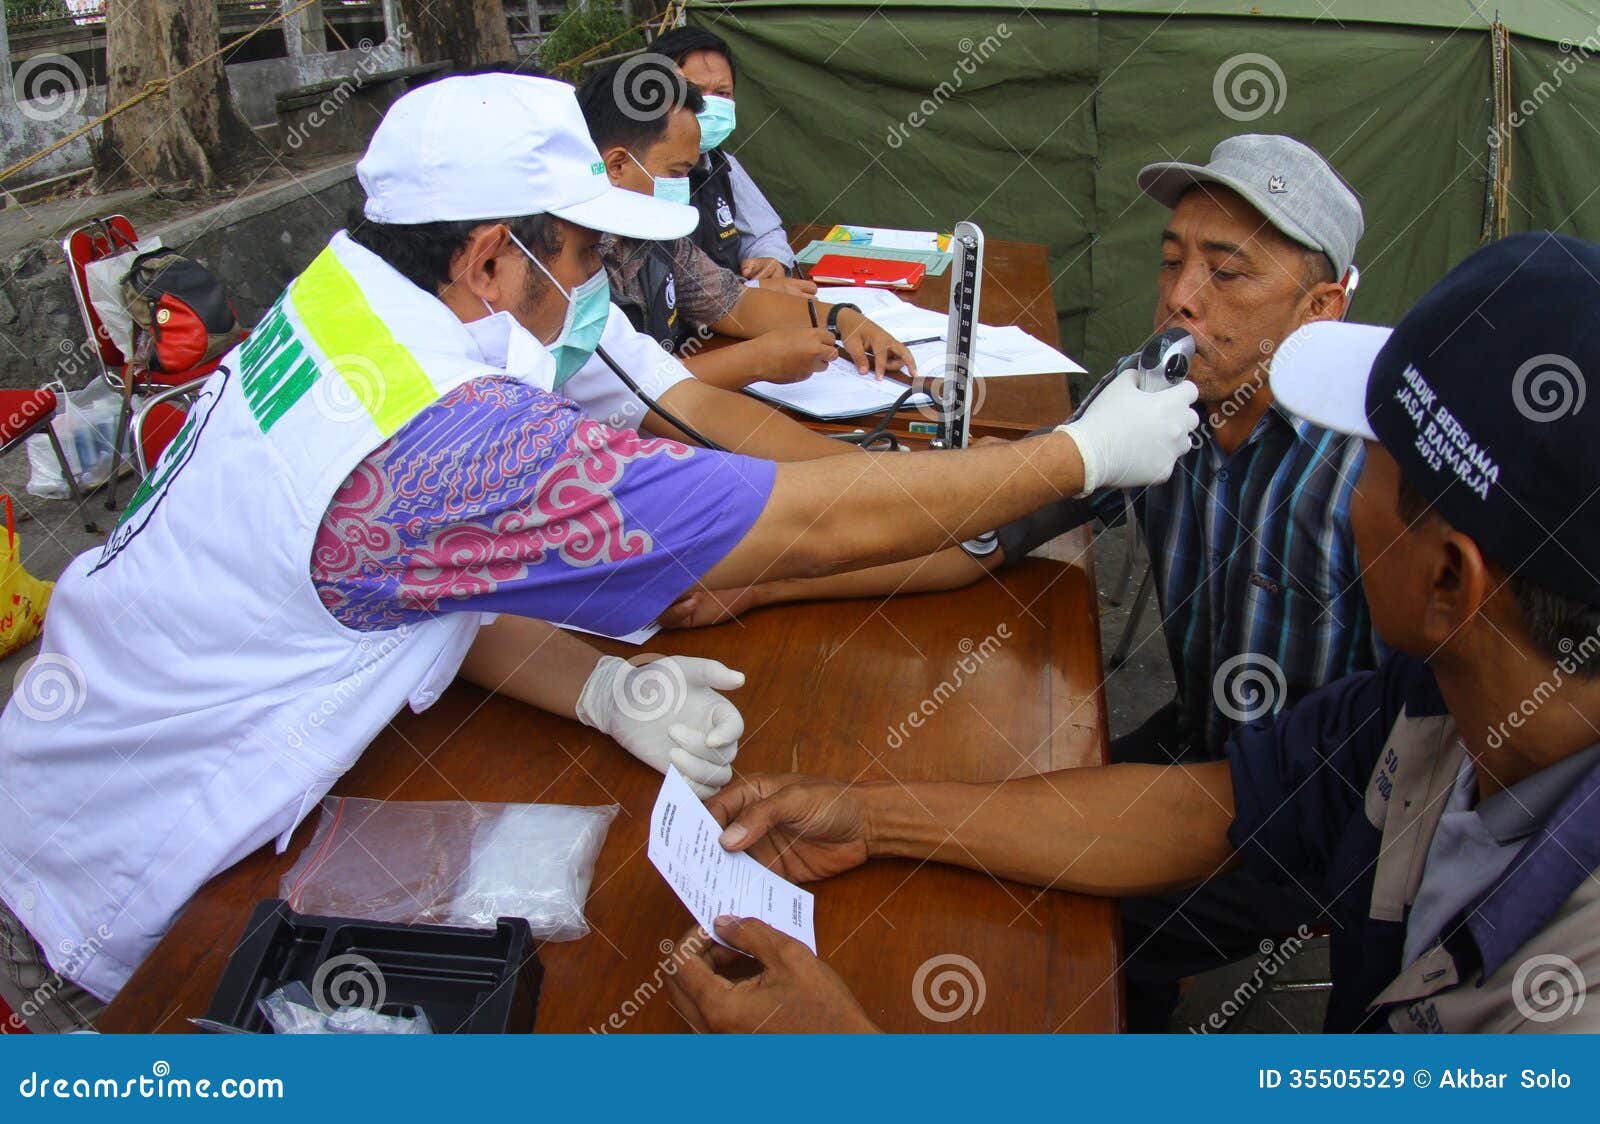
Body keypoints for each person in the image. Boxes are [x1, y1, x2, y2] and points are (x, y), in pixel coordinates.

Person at [0, 74, 1201, 1028]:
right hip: (101, 870)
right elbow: (802, 521)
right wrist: (1076, 459)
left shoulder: (343, 298)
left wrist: (597, 685)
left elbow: (418, 579)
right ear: (484, 258)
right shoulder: (438, 437)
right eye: (580, 254)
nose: (598, 285)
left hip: (78, 738)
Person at [662, 232, 1600, 1035]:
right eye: (1173, 260)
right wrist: (869, 815)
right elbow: (1207, 806)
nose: (1185, 297)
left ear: (1449, 579)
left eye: (1376, 463)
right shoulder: (1425, 706)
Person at [664, 134, 1374, 1030]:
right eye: (1171, 261)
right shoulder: (1158, 390)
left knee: (1055, 935)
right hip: (1203, 746)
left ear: (1318, 310)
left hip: (1314, 823)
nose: (1181, 298)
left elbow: (1378, 770)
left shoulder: (1368, 486)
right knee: (962, 812)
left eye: (1227, 275)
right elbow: (984, 532)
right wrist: (774, 583)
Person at [577, 58, 915, 393]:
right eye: (676, 173)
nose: (684, 186)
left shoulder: (654, 232)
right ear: (617, 165)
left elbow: (732, 303)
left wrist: (841, 318)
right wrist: (758, 360)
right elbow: (626, 388)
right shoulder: (572, 257)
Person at [647, 26, 796, 285]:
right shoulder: (636, 173)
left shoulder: (722, 164)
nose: (709, 105)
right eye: (694, 92)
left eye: (722, 93)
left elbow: (765, 232)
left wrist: (770, 260)